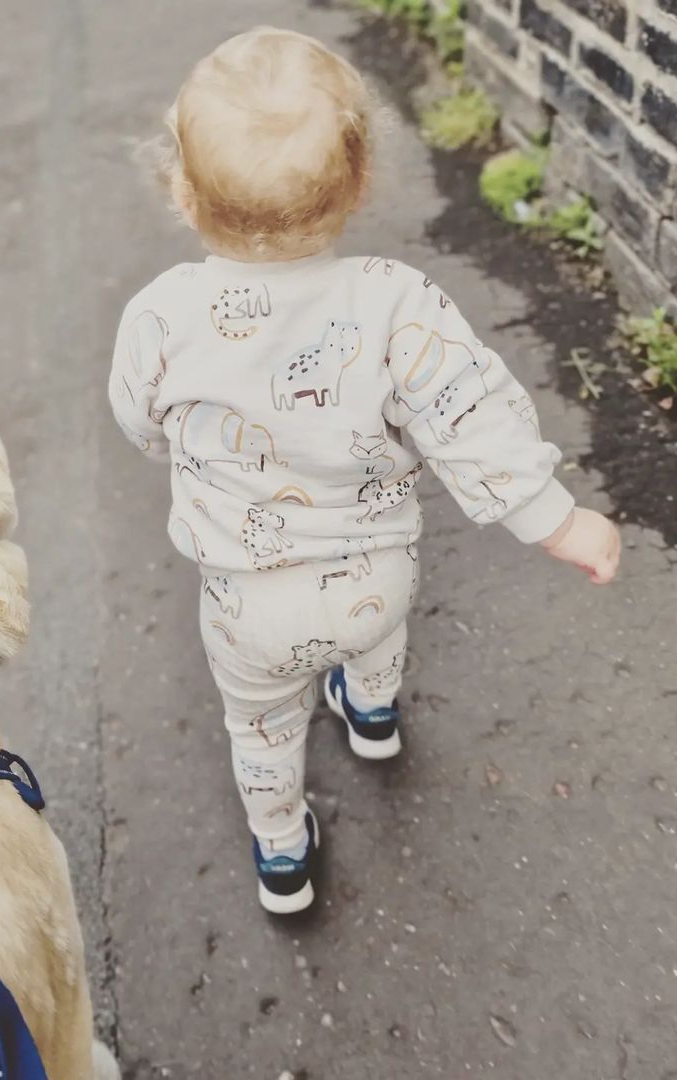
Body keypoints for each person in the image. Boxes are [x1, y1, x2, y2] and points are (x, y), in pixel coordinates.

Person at [107, 27, 621, 914]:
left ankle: (282, 853)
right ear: (359, 185)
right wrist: (557, 520)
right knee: (370, 643)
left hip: (245, 598)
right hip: (371, 578)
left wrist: (181, 451)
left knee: (260, 727)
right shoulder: (394, 301)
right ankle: (373, 713)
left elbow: (139, 418)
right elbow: (472, 415)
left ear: (185, 196)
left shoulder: (162, 316)